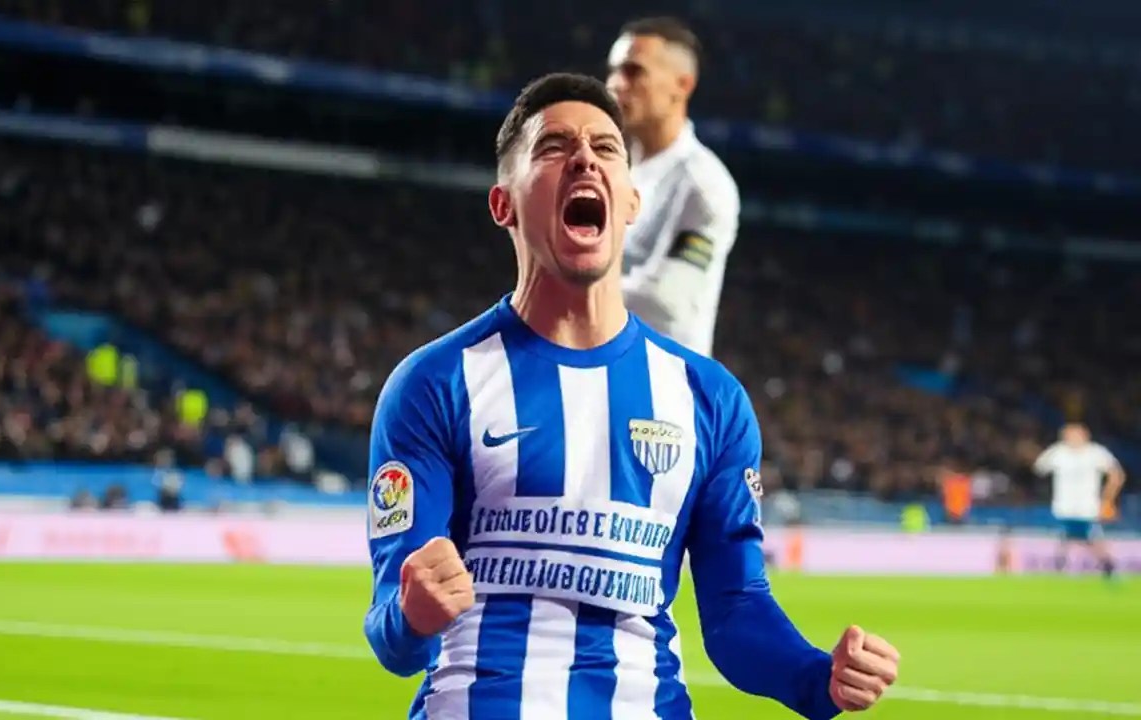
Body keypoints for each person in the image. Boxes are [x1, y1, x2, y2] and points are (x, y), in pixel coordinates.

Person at [362, 72, 899, 719]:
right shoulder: (434, 384)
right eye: (554, 146)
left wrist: (821, 679)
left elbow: (735, 610)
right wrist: (412, 614)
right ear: (503, 204)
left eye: (606, 148)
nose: (584, 157)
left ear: (632, 201)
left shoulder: (711, 399)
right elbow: (392, 632)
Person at [606, 17, 741, 356]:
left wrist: (561, 295)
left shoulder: (703, 184)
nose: (616, 84)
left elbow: (665, 302)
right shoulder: (614, 168)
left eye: (634, 72)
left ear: (682, 85)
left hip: (661, 392)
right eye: (613, 71)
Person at [1032, 422, 1126, 579]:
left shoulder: (1096, 453)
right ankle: (1061, 570)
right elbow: (1039, 468)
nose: (1071, 438)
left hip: (1087, 507)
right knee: (1066, 538)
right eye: (1068, 435)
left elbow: (1117, 475)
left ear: (1085, 435)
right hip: (1063, 506)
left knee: (1089, 539)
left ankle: (1108, 568)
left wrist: (1107, 499)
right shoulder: (1058, 452)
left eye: (1075, 434)